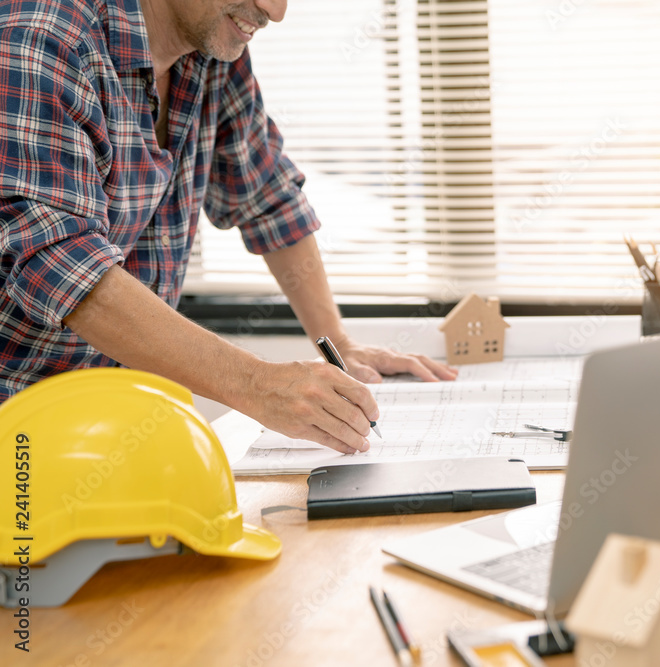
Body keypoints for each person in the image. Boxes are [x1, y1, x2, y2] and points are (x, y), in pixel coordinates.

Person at [0, 0, 457, 454]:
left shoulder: (212, 44)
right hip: (16, 426)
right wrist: (257, 385)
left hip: (110, 420)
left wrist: (338, 344)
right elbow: (61, 267)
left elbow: (268, 196)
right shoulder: (40, 40)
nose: (274, 11)